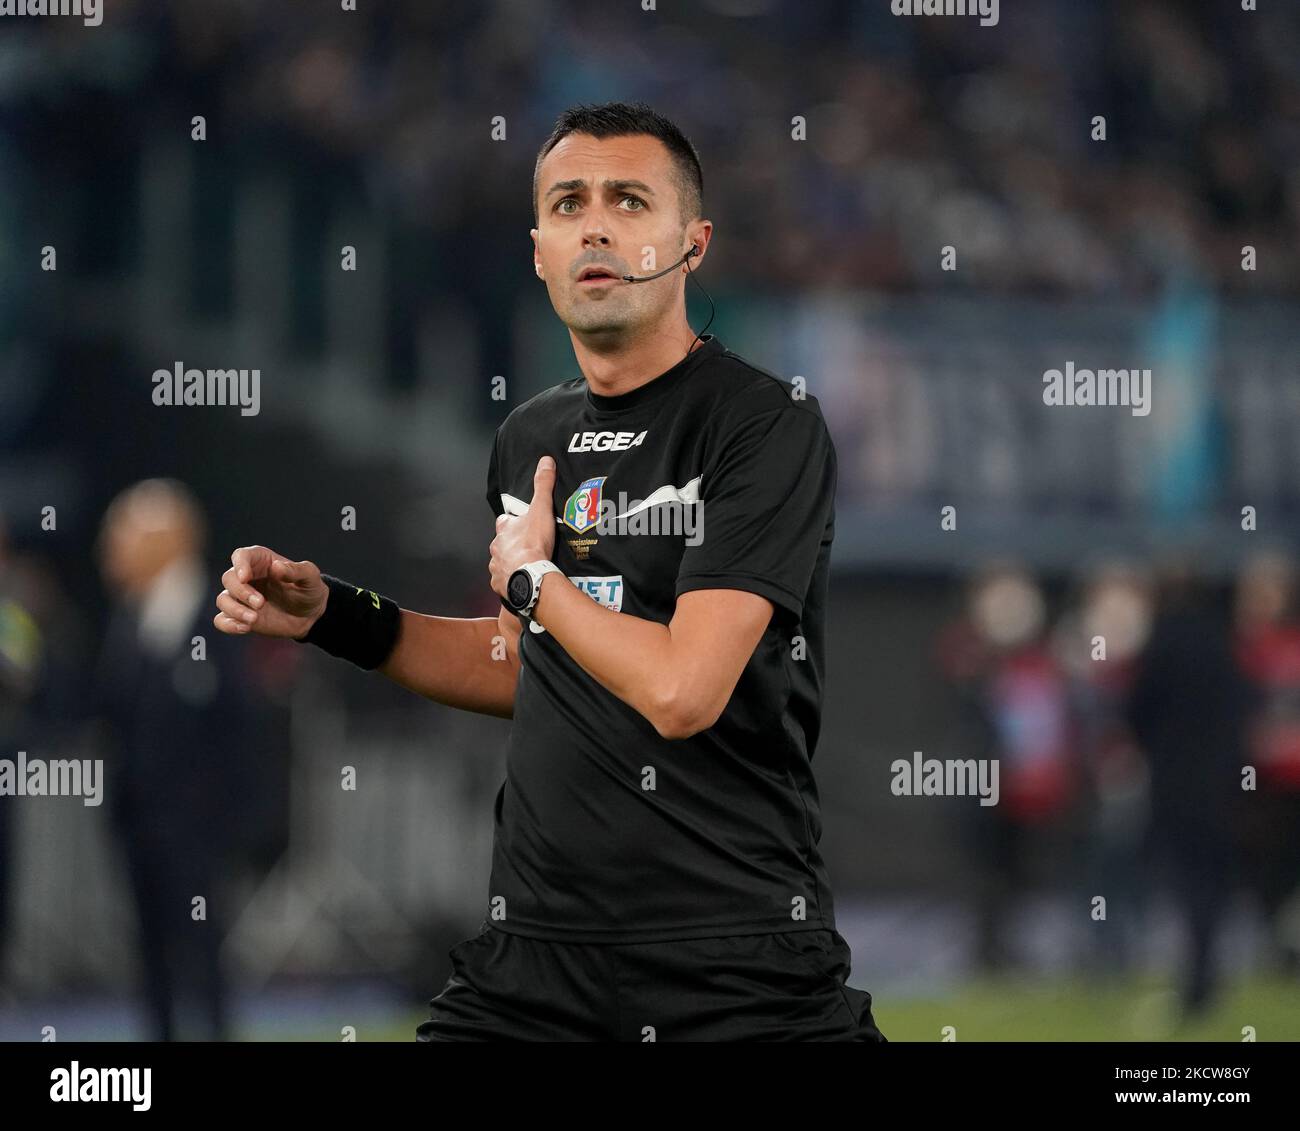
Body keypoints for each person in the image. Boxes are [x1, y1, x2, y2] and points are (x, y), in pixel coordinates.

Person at [213, 102, 885, 1042]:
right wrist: (337, 616)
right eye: (568, 204)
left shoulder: (762, 425)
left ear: (693, 244)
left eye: (628, 200)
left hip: (732, 957)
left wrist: (538, 585)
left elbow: (685, 690)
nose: (596, 224)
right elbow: (526, 662)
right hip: (532, 958)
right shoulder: (529, 435)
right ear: (539, 252)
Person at [94, 479, 253, 1040]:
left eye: (124, 532)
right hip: (140, 823)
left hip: (197, 826)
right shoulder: (127, 619)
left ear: (168, 540)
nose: (110, 547)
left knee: (202, 952)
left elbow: (236, 724)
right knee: (151, 956)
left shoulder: (216, 613)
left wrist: (231, 818)